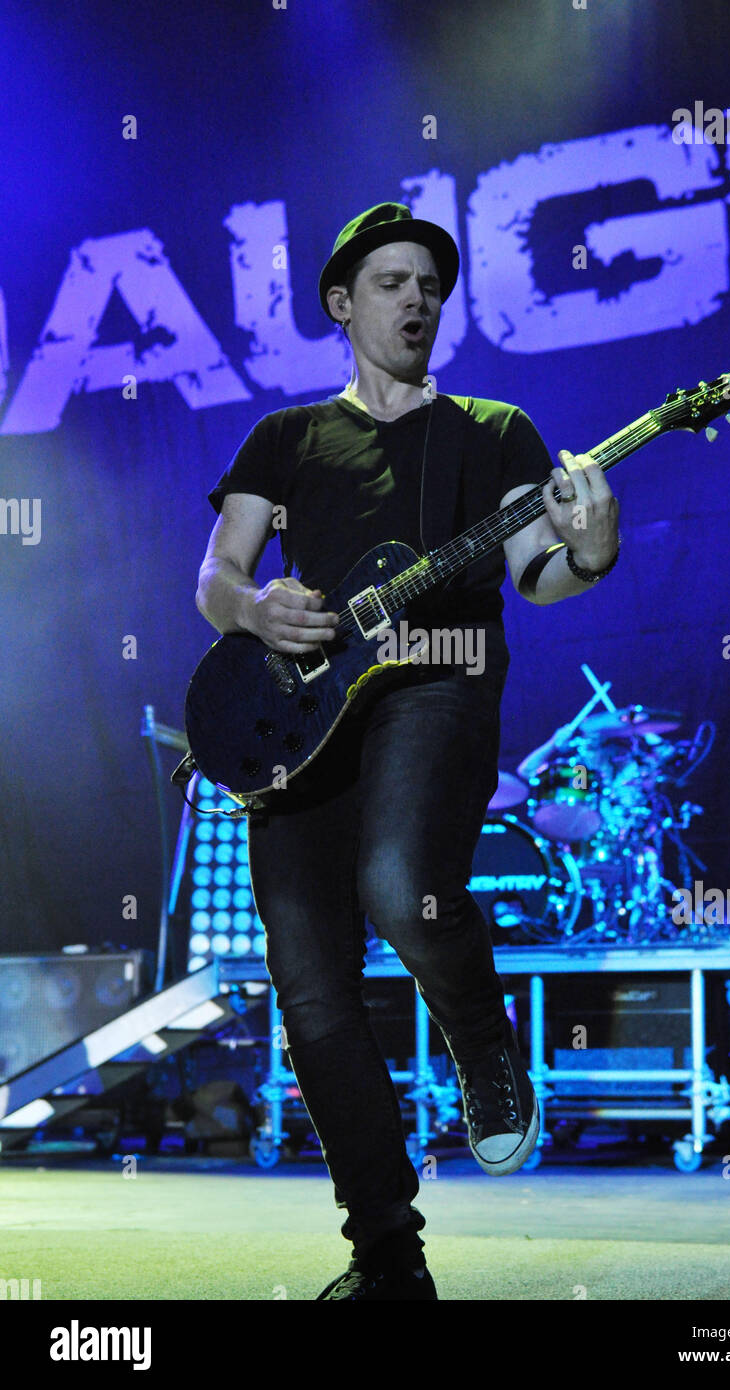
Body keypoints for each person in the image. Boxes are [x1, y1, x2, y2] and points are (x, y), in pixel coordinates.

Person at [195, 203, 620, 1300]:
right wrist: (256, 613)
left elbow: (538, 573)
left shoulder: (495, 431)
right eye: (391, 281)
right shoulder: (283, 439)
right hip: (301, 719)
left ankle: (482, 1046)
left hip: (440, 682)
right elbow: (214, 576)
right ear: (342, 302)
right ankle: (386, 1252)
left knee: (398, 883)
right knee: (312, 992)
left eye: (429, 282)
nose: (416, 298)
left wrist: (593, 548)